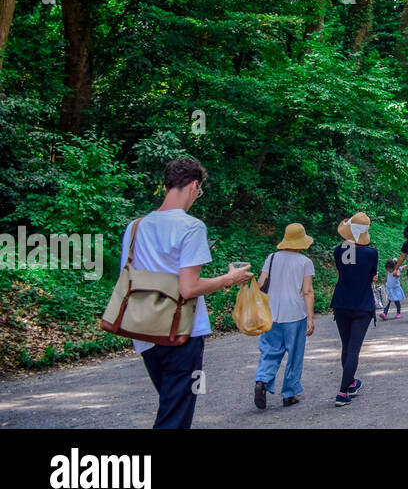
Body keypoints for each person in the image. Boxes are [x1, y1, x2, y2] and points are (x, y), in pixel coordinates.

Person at [118, 157, 250, 429]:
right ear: (193, 186)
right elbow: (189, 288)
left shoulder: (135, 227)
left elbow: (130, 277)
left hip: (143, 330)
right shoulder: (192, 227)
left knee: (170, 402)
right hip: (181, 333)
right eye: (198, 191)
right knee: (176, 414)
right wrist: (229, 279)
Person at [254, 222, 316, 409]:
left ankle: (262, 379)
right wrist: (311, 318)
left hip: (271, 313)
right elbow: (307, 291)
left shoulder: (271, 258)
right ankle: (289, 394)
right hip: (295, 314)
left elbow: (260, 284)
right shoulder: (305, 262)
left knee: (270, 351)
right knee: (294, 355)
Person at [332, 212, 378, 407]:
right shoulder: (371, 253)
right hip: (362, 304)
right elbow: (371, 275)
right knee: (354, 348)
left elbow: (342, 271)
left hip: (341, 303)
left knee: (346, 345)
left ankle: (350, 382)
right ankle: (342, 392)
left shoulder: (338, 250)